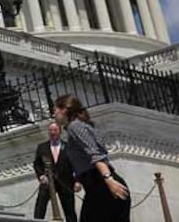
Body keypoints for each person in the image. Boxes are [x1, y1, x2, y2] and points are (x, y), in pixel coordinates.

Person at [53, 94, 130, 222]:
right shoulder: (78, 127)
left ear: (64, 110)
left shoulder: (75, 127)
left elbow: (95, 154)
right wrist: (78, 179)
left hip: (103, 186)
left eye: (55, 110)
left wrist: (108, 179)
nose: (53, 114)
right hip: (95, 186)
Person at [33, 121, 79, 222]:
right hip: (48, 182)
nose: (52, 132)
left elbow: (76, 165)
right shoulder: (42, 147)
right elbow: (37, 164)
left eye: (55, 130)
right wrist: (41, 176)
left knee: (70, 210)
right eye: (50, 130)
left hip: (65, 182)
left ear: (60, 132)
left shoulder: (68, 147)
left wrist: (77, 181)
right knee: (40, 207)